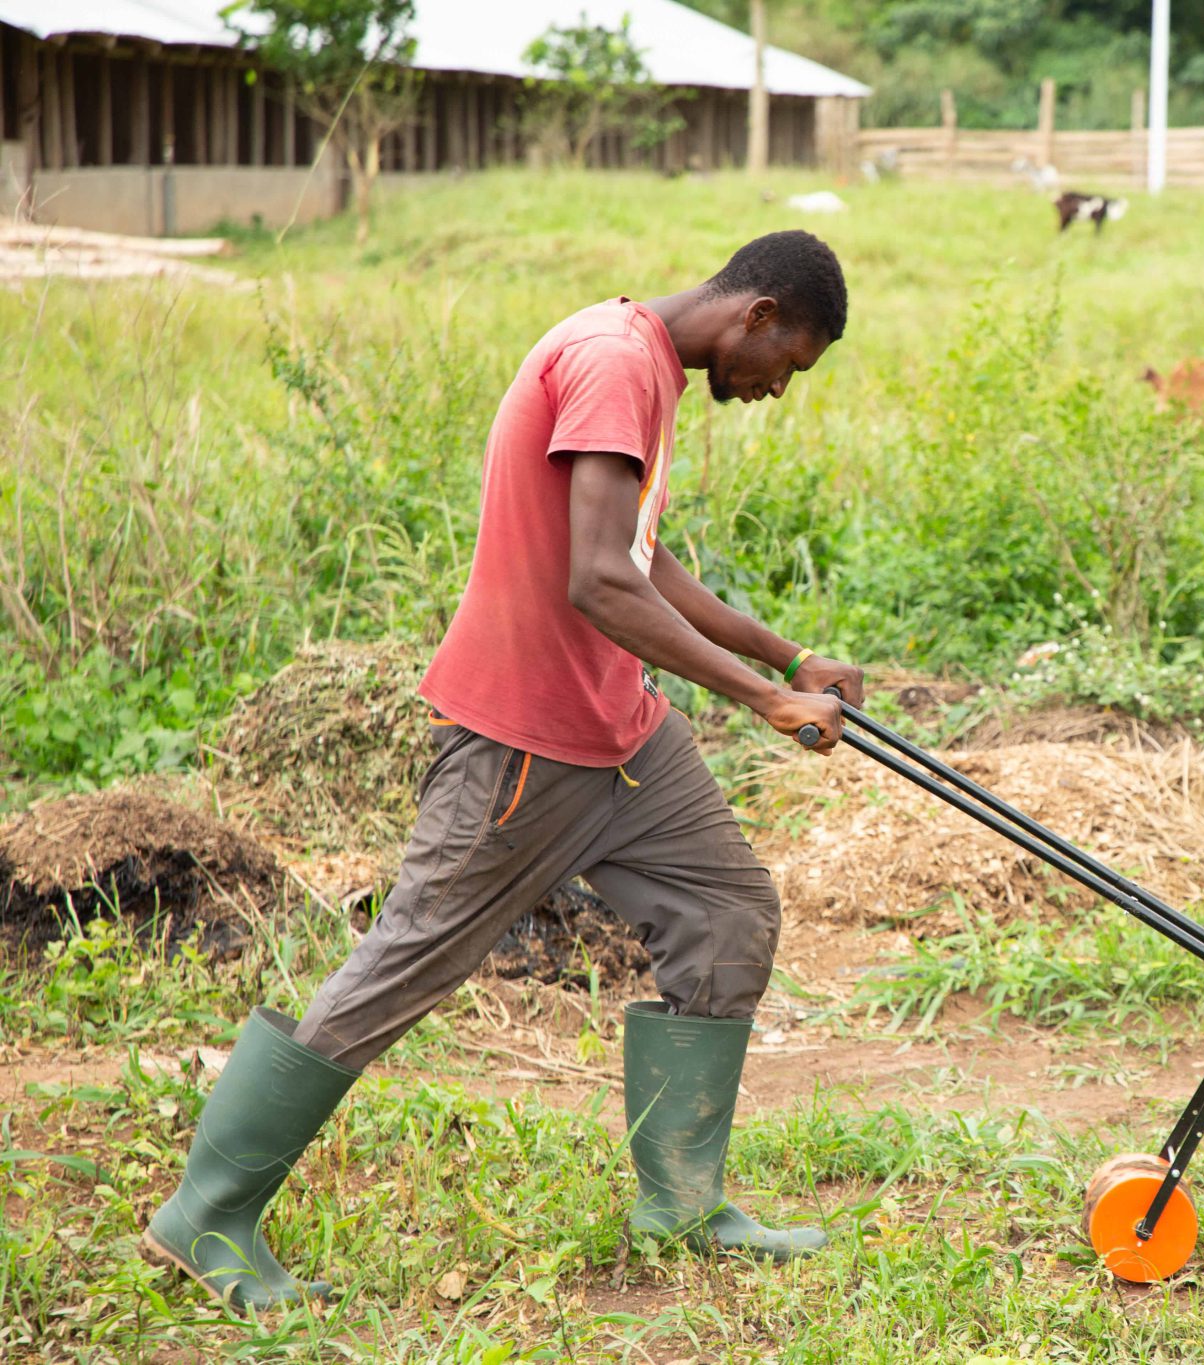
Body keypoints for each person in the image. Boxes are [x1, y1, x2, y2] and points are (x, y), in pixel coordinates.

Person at [142, 230, 862, 1311]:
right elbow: (597, 586)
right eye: (789, 364)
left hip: (621, 733)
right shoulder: (616, 362)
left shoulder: (645, 365)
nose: (775, 390)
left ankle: (682, 1203)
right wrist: (762, 701)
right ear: (757, 317)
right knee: (403, 968)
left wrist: (785, 656)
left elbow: (641, 557)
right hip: (525, 743)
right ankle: (204, 1218)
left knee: (726, 912)